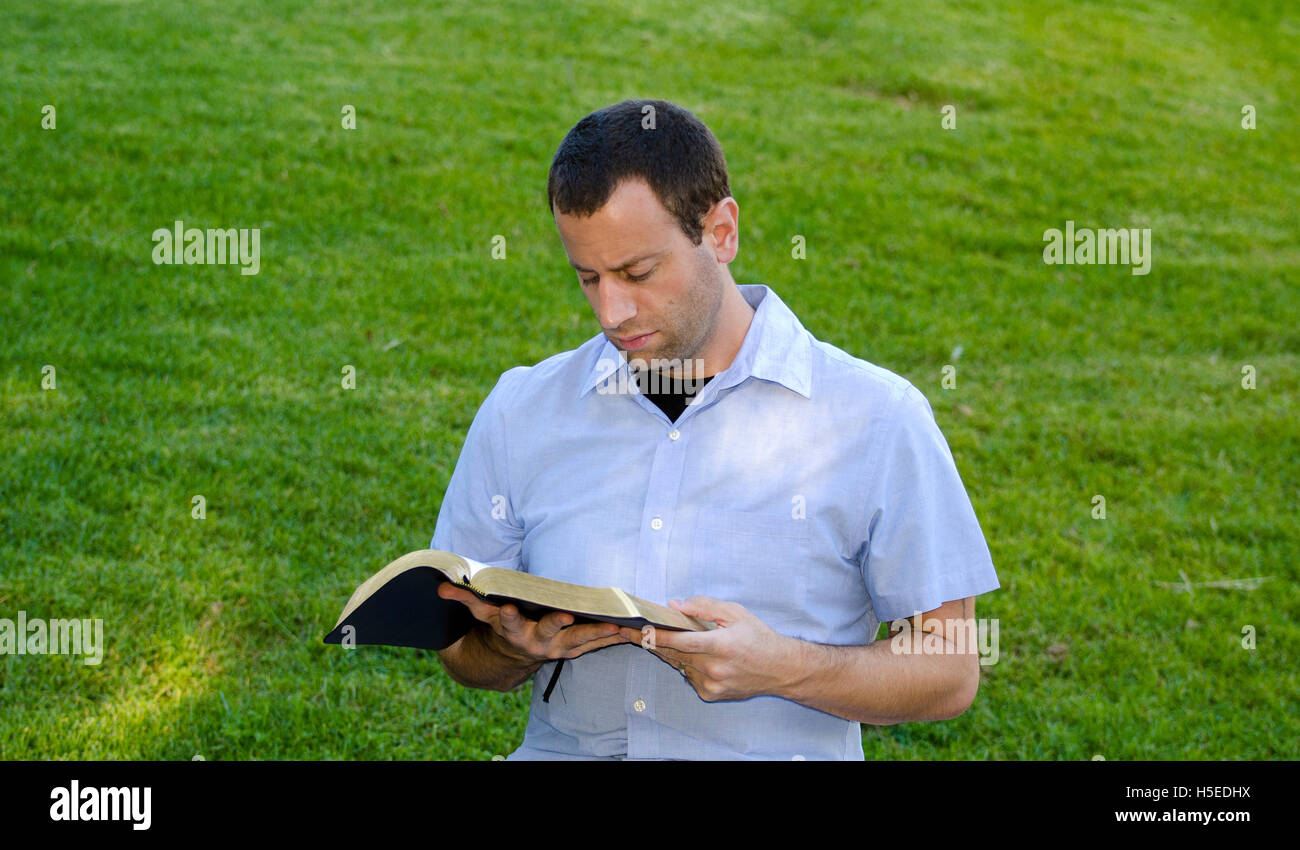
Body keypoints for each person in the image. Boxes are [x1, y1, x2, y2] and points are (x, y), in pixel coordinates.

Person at [431, 98, 999, 760]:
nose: (611, 312)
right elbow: (462, 657)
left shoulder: (875, 418)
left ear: (722, 231)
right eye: (588, 278)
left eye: (638, 273)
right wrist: (506, 648)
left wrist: (783, 667)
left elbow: (950, 671)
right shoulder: (522, 408)